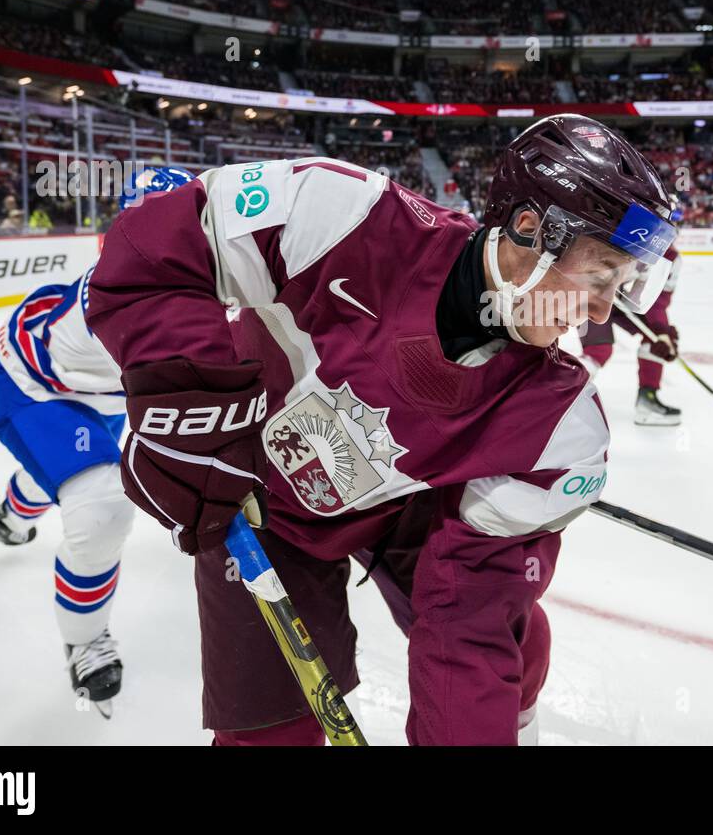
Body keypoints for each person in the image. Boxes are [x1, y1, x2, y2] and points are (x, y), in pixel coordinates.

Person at [84, 114, 678, 746]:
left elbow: (467, 627)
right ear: (528, 229)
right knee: (267, 730)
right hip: (255, 497)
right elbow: (161, 243)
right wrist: (182, 415)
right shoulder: (346, 215)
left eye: (620, 287)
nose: (600, 314)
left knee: (512, 646)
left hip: (413, 506)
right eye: (597, 277)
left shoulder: (561, 430)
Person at [0, 166, 196, 716]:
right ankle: (85, 641)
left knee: (75, 468)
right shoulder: (115, 297)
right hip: (34, 383)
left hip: (103, 390)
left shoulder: (194, 279)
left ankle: (11, 517)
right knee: (100, 506)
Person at [579, 243, 683, 425]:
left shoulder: (670, 257)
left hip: (619, 300)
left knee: (656, 339)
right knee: (599, 349)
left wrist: (661, 332)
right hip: (590, 295)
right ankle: (565, 394)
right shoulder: (629, 234)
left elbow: (654, 302)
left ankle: (647, 401)